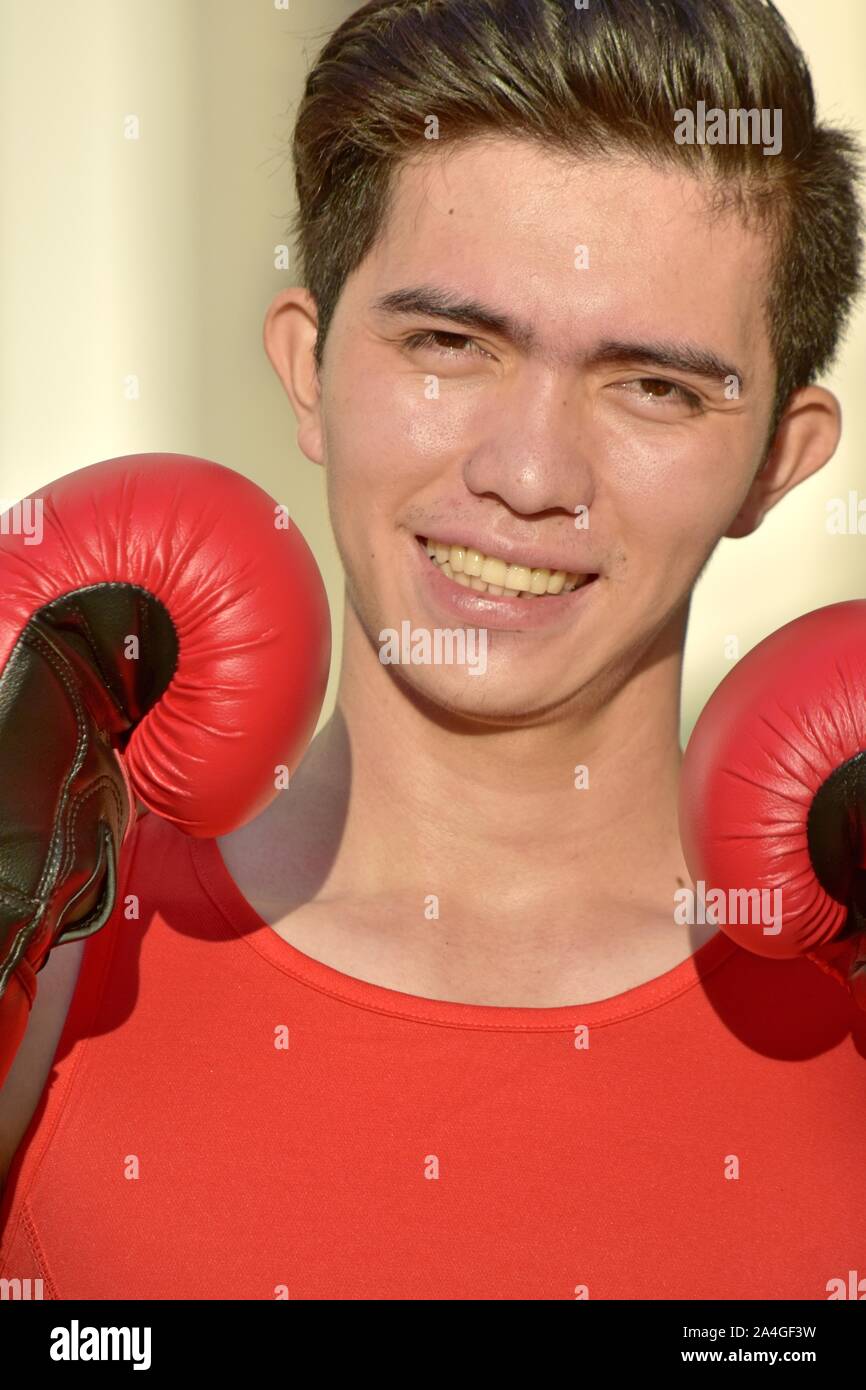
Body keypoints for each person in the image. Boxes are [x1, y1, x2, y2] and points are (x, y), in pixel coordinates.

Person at [1, 0, 865, 1300]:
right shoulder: (58, 960)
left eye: (653, 386)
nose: (525, 474)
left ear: (776, 461)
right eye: (449, 345)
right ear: (306, 369)